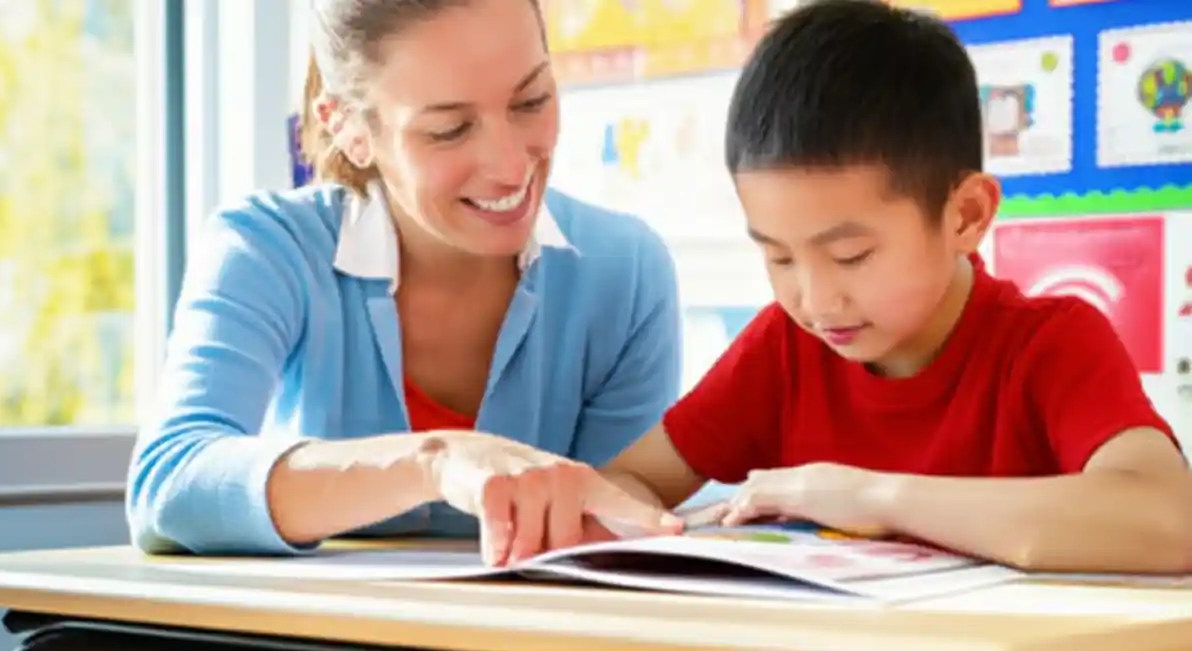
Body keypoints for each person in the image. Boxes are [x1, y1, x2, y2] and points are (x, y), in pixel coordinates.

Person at [103, 0, 684, 651]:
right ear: (348, 124)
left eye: (532, 99)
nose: (510, 163)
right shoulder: (268, 248)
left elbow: (609, 557)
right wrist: (437, 460)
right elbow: (169, 484)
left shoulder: (623, 271)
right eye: (449, 128)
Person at [479, 0, 1192, 576]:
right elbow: (631, 485)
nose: (816, 302)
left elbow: (1168, 520)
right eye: (779, 259)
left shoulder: (1050, 343)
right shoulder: (783, 348)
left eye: (850, 256)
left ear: (966, 215)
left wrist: (871, 497)